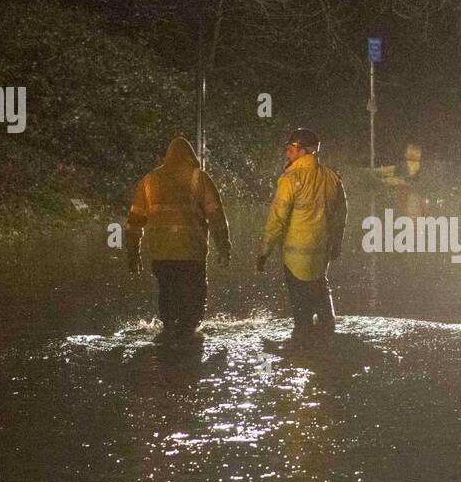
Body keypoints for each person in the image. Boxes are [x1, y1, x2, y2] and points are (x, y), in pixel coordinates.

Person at [126, 136, 231, 340]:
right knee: (193, 298)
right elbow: (217, 216)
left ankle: (169, 335)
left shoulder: (149, 181)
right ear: (190, 157)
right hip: (192, 254)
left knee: (167, 293)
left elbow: (134, 221)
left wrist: (133, 253)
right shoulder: (198, 178)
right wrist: (224, 248)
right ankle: (188, 340)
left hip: (161, 255)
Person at [256, 129, 347, 339]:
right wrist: (337, 245)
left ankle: (302, 351)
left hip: (295, 262)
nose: (287, 154)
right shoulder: (332, 177)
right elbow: (340, 217)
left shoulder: (290, 179)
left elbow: (276, 220)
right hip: (321, 257)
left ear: (304, 151)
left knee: (302, 318)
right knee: (325, 315)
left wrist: (264, 252)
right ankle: (327, 355)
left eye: (290, 149)